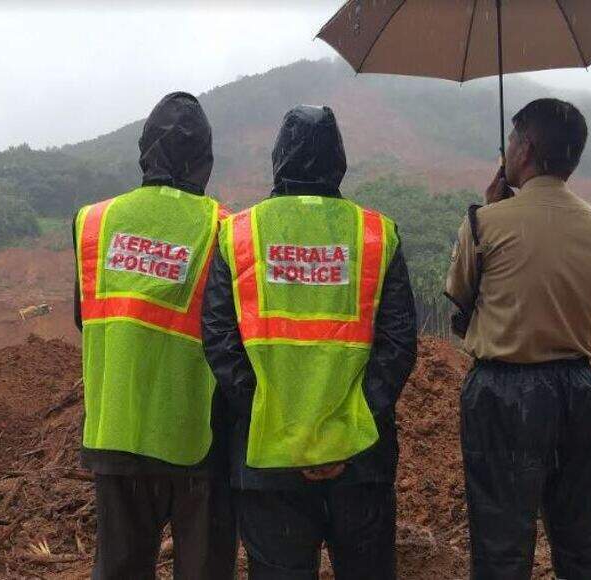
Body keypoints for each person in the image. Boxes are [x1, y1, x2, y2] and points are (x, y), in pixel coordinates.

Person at [202, 105, 417, 579]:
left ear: (278, 157)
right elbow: (398, 345)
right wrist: (342, 434)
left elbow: (220, 343)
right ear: (338, 160)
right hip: (360, 460)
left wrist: (285, 430)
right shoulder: (377, 234)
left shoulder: (238, 234)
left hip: (267, 461)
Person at [444, 98, 591, 580]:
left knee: (501, 541)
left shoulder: (485, 223)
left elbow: (460, 297)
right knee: (586, 540)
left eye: (511, 139)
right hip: (580, 393)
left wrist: (492, 210)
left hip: (501, 394)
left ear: (525, 149)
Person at [71, 92, 235, 580]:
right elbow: (231, 336)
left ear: (144, 150)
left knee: (119, 569)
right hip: (197, 435)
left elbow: (86, 316)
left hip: (116, 428)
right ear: (204, 158)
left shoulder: (93, 222)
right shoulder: (225, 228)